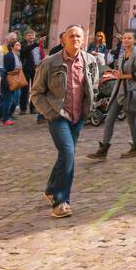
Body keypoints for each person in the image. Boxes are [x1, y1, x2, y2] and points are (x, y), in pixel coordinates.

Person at [30, 24, 100, 219]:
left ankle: (51, 189)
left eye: (79, 36)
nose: (75, 39)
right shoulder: (50, 63)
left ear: (83, 40)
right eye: (71, 36)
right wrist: (50, 113)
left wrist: (89, 109)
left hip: (78, 117)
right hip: (59, 116)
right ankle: (61, 202)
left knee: (65, 155)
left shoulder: (90, 60)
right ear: (64, 39)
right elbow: (36, 93)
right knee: (68, 153)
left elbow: (92, 86)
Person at [89, 29, 136, 159]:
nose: (126, 40)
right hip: (119, 90)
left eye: (129, 38)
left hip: (131, 91)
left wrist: (124, 76)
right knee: (109, 119)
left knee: (132, 120)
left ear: (135, 40)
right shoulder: (123, 53)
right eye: (125, 38)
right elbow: (121, 70)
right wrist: (115, 73)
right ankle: (103, 149)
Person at [0, 40, 23, 126]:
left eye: (19, 44)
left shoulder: (17, 55)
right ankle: (5, 119)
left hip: (15, 81)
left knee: (12, 101)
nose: (19, 45)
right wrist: (6, 81)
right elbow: (4, 69)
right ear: (12, 47)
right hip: (8, 81)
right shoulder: (9, 56)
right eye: (16, 44)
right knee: (8, 100)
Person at [19, 30, 41, 117]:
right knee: (25, 90)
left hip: (36, 69)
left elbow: (40, 56)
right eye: (29, 35)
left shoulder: (38, 46)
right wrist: (36, 44)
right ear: (25, 37)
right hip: (26, 70)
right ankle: (23, 109)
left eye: (33, 35)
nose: (31, 37)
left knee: (35, 90)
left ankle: (33, 108)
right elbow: (25, 50)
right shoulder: (22, 45)